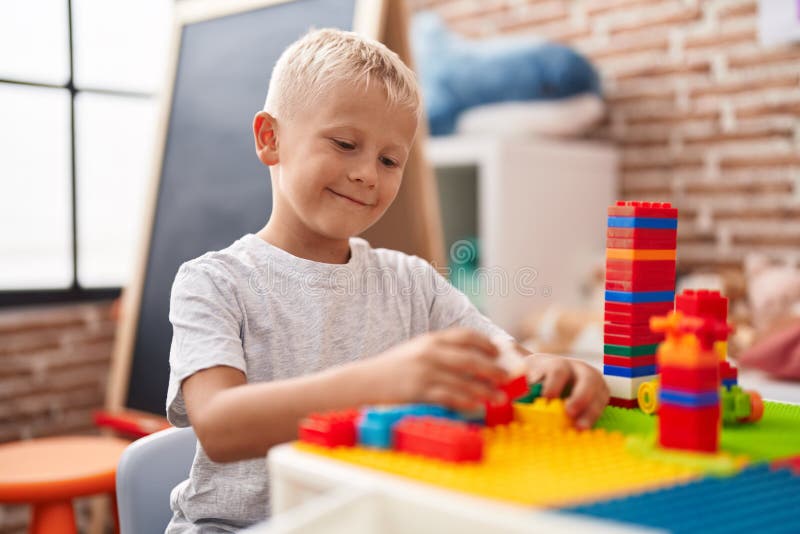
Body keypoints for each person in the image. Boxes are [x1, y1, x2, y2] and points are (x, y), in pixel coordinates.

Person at [165, 28, 609, 533]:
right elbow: (220, 425)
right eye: (345, 143)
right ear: (271, 139)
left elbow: (507, 361)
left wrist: (555, 370)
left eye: (389, 159)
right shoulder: (213, 281)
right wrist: (382, 382)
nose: (368, 175)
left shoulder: (412, 281)